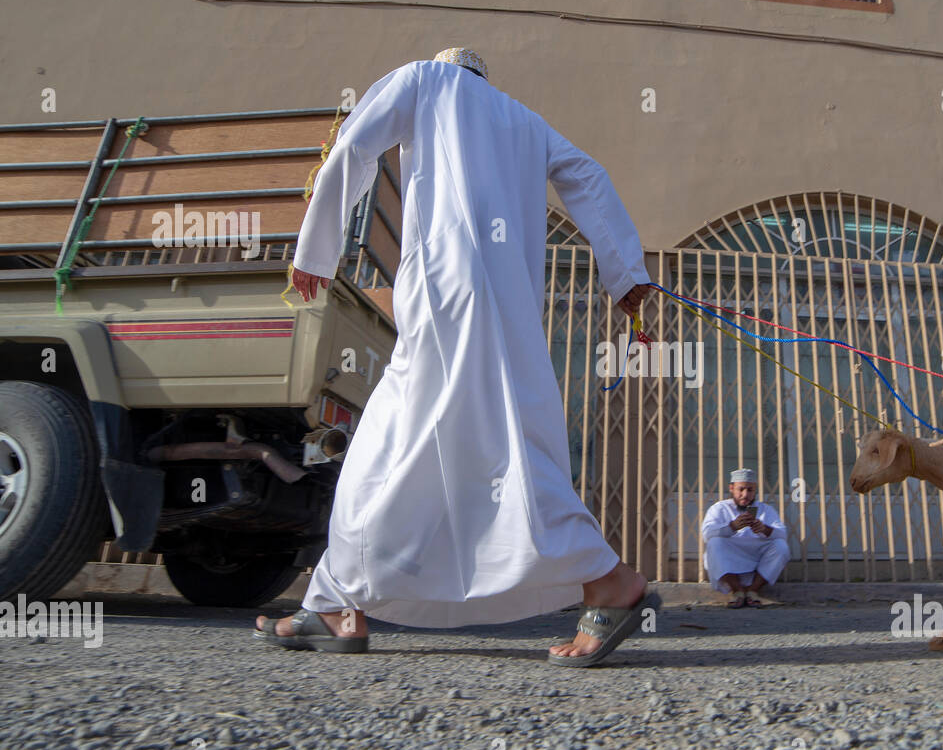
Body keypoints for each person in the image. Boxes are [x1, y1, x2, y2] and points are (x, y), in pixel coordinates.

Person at [255, 48, 658, 667]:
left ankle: (607, 579)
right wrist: (624, 271)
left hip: (446, 293)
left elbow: (359, 142)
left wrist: (316, 248)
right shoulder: (524, 120)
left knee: (444, 446)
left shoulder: (425, 78)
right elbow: (589, 176)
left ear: (449, 69)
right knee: (459, 444)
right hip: (510, 308)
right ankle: (335, 600)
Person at [700, 469, 790, 607]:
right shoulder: (719, 508)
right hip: (731, 552)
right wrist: (731, 527)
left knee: (781, 546)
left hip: (757, 553)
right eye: (740, 489)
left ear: (755, 490)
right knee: (714, 543)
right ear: (731, 488)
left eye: (750, 490)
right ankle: (737, 591)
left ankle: (752, 591)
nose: (745, 494)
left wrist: (765, 529)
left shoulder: (766, 510)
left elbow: (782, 534)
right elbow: (707, 533)